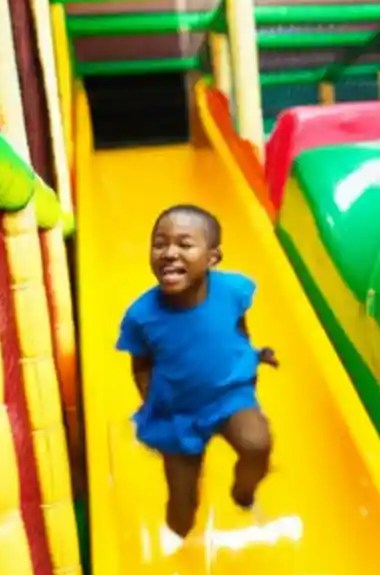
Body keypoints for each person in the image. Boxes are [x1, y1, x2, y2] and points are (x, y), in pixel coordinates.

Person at [117, 204, 278, 540]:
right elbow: (141, 365)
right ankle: (179, 537)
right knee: (182, 505)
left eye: (185, 244)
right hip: (179, 413)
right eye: (159, 244)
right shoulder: (142, 316)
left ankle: (243, 491)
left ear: (212, 258)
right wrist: (152, 401)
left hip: (230, 396)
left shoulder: (232, 290)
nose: (169, 253)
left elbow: (236, 328)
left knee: (257, 443)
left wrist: (252, 355)